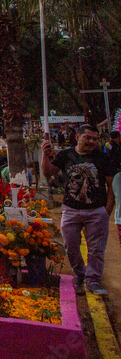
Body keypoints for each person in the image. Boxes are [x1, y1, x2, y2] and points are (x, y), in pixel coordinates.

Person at [42, 124, 117, 295]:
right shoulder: (65, 155)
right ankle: (80, 274)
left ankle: (93, 281)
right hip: (71, 210)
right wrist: (44, 155)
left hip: (96, 210)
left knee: (96, 249)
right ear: (77, 137)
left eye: (94, 139)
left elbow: (110, 186)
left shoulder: (102, 158)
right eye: (87, 137)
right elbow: (47, 173)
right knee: (71, 246)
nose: (91, 141)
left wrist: (107, 211)